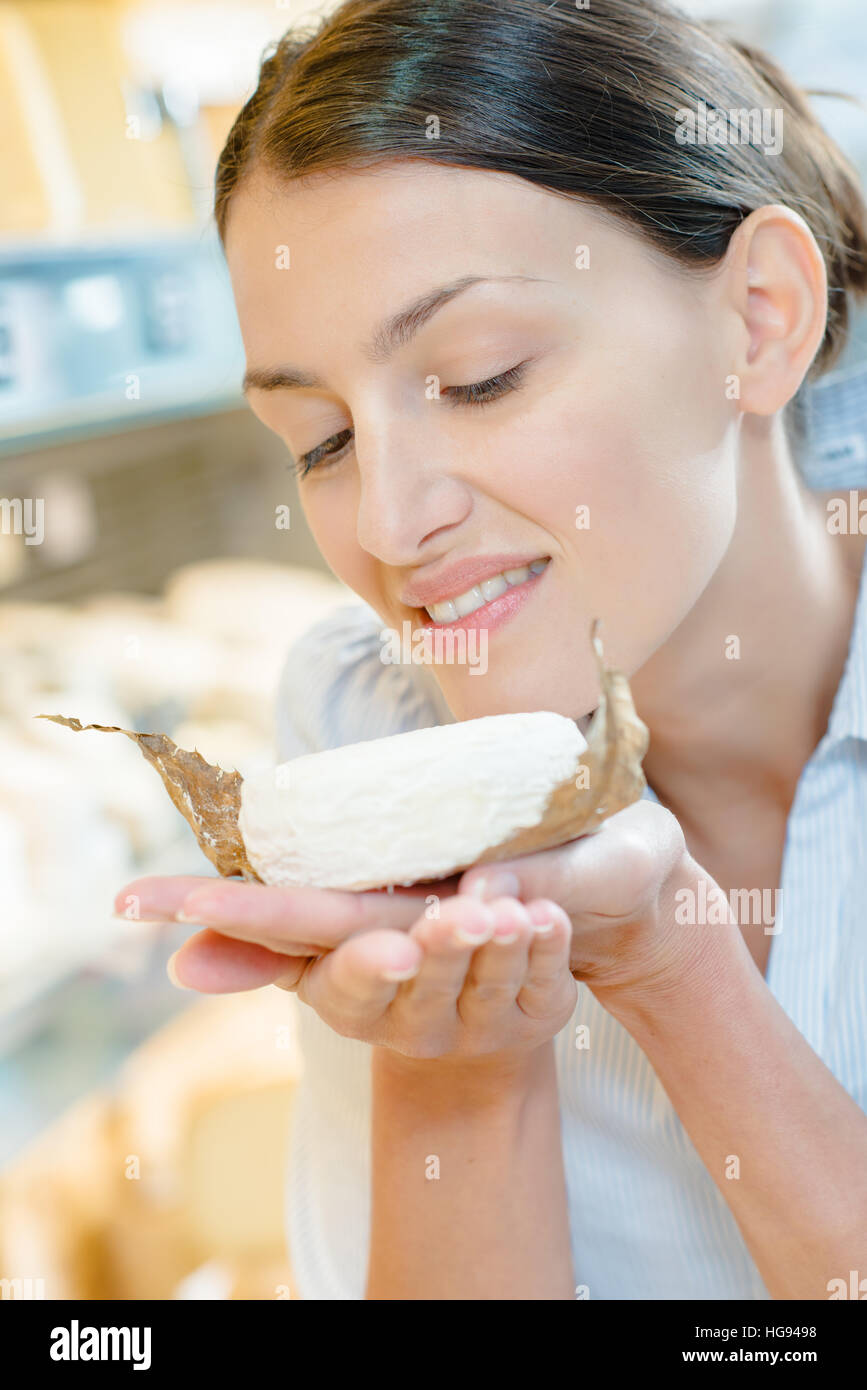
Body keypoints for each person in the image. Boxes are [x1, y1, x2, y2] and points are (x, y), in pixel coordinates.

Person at [120, 0, 867, 1299]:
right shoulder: (373, 720)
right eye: (324, 442)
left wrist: (679, 968)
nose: (393, 524)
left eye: (479, 377)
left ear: (757, 318)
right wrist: (457, 1057)